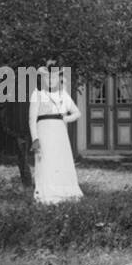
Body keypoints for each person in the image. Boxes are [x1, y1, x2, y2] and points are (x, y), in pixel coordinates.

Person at [29, 61, 83, 204]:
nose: (50, 80)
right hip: (44, 132)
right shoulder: (38, 94)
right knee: (46, 161)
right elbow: (32, 119)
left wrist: (65, 118)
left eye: (53, 77)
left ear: (58, 78)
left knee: (60, 161)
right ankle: (47, 196)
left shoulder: (63, 95)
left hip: (59, 133)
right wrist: (35, 139)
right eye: (47, 77)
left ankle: (65, 194)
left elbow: (77, 113)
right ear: (43, 79)